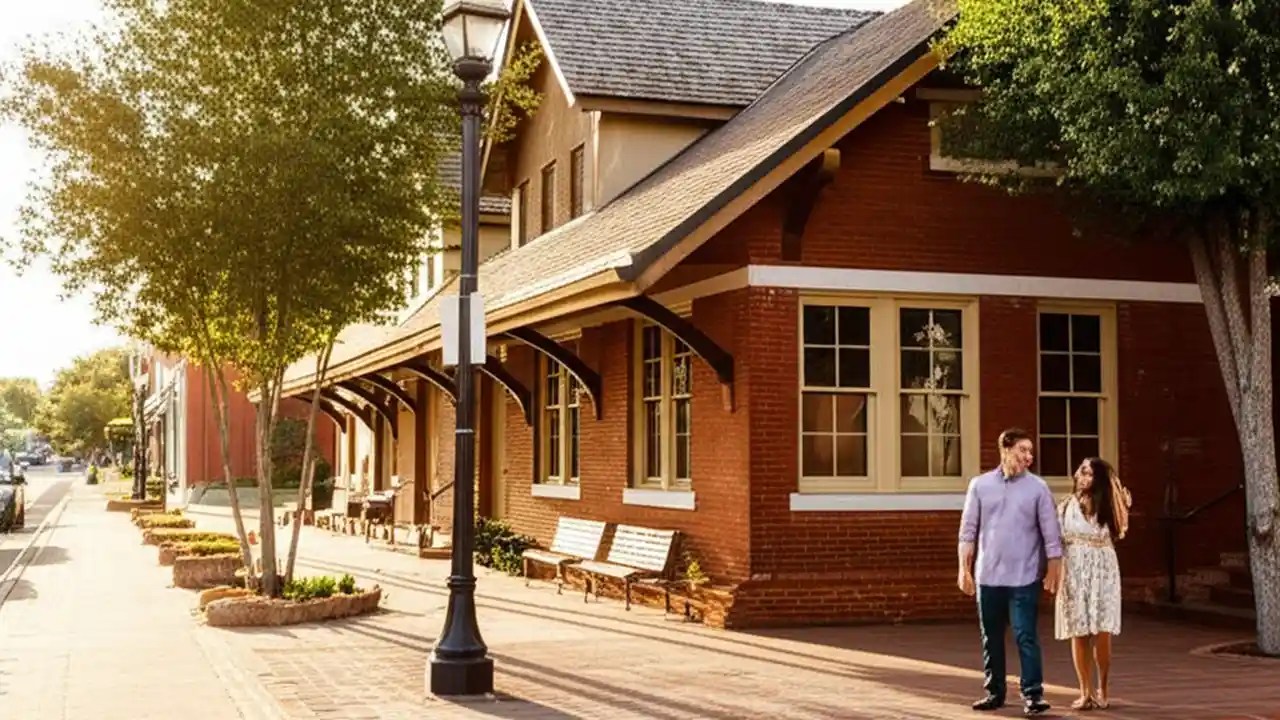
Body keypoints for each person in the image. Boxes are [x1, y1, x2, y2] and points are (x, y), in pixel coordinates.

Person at [958, 427, 1063, 716]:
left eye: (1031, 452)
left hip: (1024, 576)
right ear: (1005, 449)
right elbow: (967, 531)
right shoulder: (979, 485)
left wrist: (1054, 566)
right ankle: (994, 692)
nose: (1029, 456)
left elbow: (1051, 533)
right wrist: (963, 569)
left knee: (1025, 636)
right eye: (1022, 450)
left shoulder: (1038, 488)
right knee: (990, 637)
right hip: (988, 576)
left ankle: (1033, 695)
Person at [1055, 457, 1130, 711]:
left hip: (1103, 569)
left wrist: (1120, 500)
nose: (1083, 477)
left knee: (1101, 631)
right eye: (1081, 471)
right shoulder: (1065, 507)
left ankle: (1103, 688)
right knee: (1078, 631)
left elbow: (1120, 530)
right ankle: (1084, 690)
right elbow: (1056, 540)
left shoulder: (1108, 506)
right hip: (1074, 569)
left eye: (1089, 473)